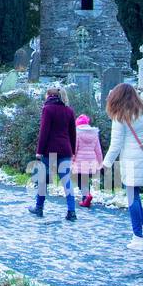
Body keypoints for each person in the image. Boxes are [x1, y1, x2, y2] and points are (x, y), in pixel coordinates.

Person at [102, 83, 143, 251]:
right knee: (136, 196)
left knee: (132, 199)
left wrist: (106, 163)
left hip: (131, 161)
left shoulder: (120, 116)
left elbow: (115, 145)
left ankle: (138, 238)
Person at [31, 85, 78, 221]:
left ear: (49, 96)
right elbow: (72, 133)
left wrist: (39, 151)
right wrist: (73, 150)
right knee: (67, 182)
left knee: (42, 180)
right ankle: (71, 212)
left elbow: (44, 132)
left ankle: (39, 208)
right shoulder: (69, 110)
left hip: (49, 151)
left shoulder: (47, 109)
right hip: (65, 150)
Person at [71, 113, 104, 208]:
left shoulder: (77, 133)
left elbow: (74, 149)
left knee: (79, 180)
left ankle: (86, 196)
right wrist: (100, 162)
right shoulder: (94, 134)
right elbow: (98, 149)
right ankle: (86, 198)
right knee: (85, 179)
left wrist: (72, 159)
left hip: (79, 161)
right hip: (91, 161)